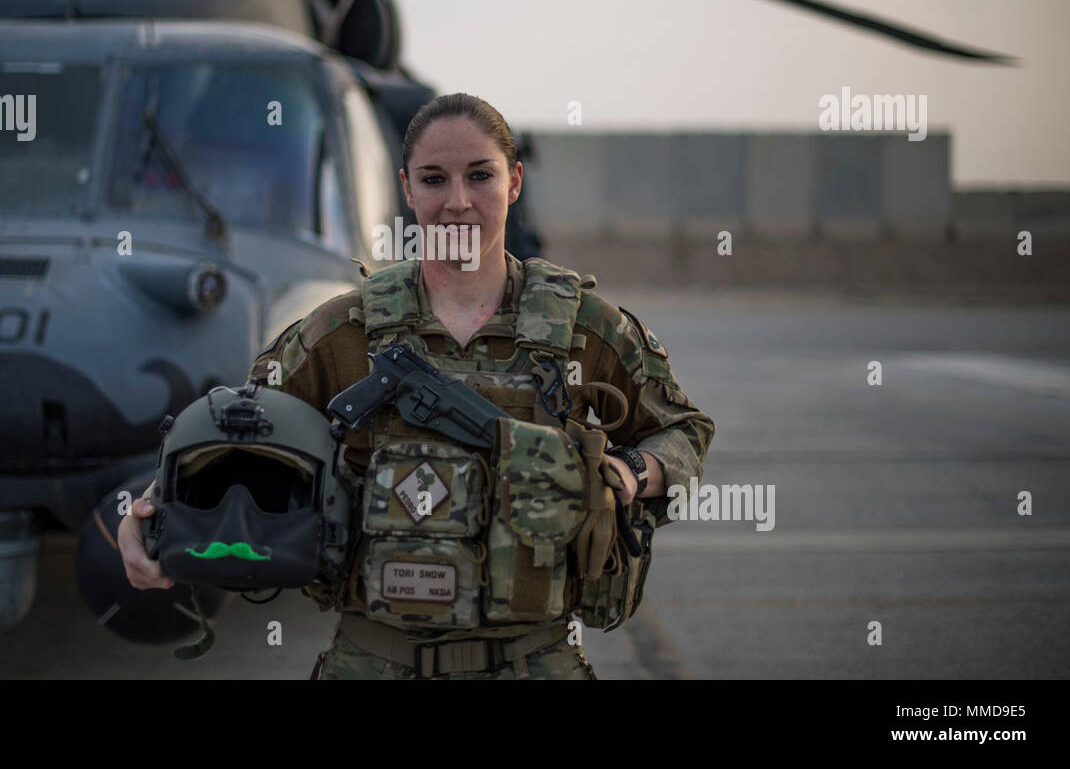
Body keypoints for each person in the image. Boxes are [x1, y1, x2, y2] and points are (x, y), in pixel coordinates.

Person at [119, 92, 715, 679]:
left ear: (514, 182)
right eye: (434, 180)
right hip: (374, 657)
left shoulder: (584, 326)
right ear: (407, 189)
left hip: (534, 659)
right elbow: (234, 431)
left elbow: (683, 432)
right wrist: (149, 517)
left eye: (480, 175)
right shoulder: (342, 330)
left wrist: (633, 472)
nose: (458, 202)